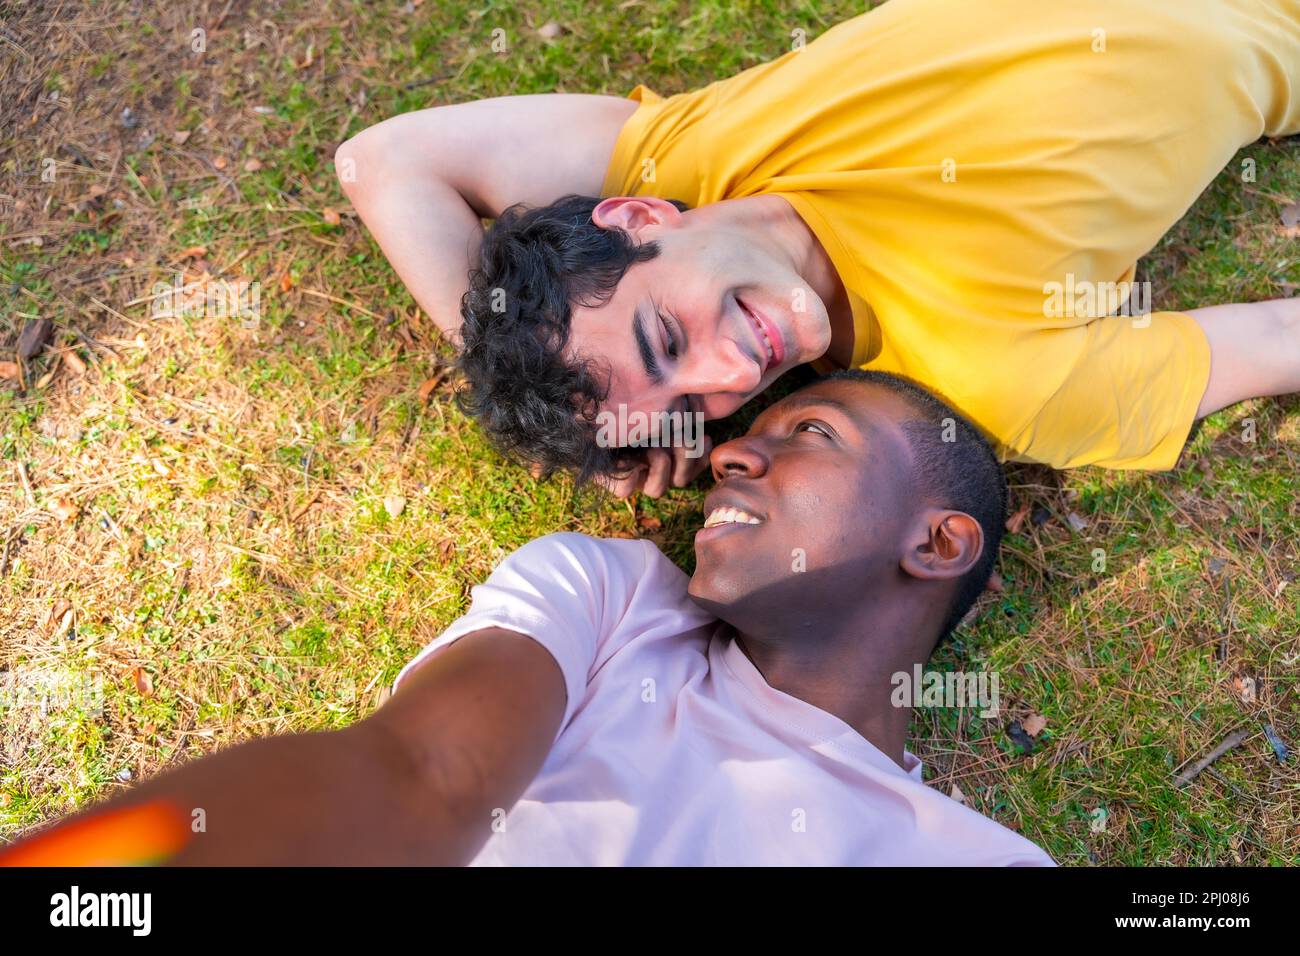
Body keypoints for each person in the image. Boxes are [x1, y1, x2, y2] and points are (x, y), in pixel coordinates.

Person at [0, 371, 1052, 866]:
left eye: (811, 431)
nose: (733, 454)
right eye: (745, 436)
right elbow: (423, 775)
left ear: (938, 542)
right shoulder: (611, 599)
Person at [337, 0, 1300, 496]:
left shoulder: (690, 155)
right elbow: (1273, 341)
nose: (734, 373)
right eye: (691, 409)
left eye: (668, 340)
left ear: (635, 219)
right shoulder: (996, 381)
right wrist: (606, 431)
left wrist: (506, 355)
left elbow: (383, 160)